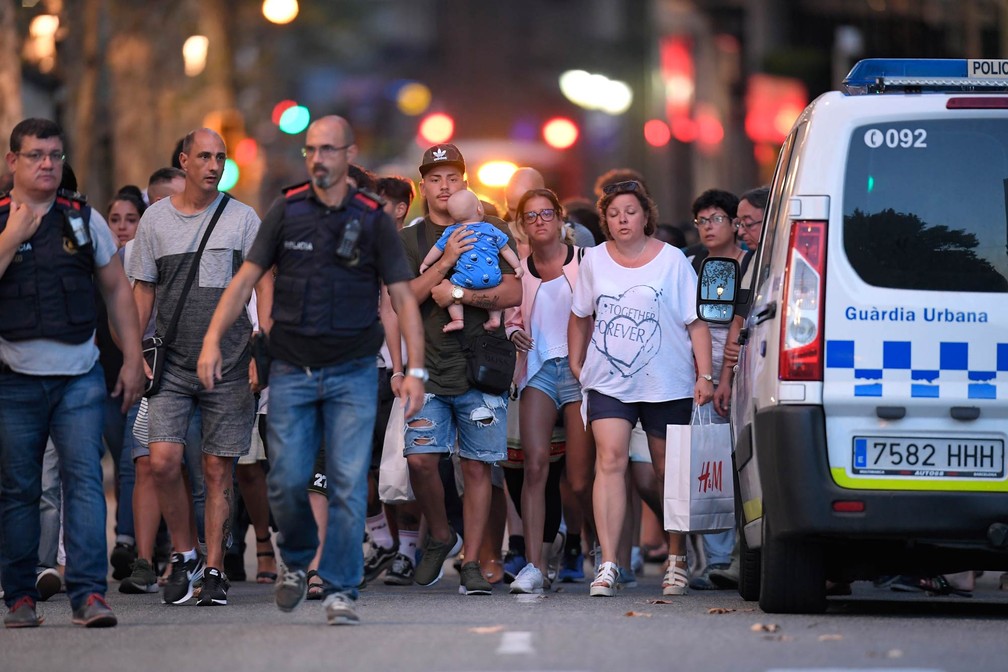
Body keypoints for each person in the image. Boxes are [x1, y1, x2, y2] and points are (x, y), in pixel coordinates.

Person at [198, 115, 425, 626]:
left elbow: (403, 299)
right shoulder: (287, 211)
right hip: (292, 370)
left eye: (328, 149)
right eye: (311, 150)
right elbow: (245, 282)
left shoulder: (372, 219)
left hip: (351, 371)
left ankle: (341, 588)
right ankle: (298, 559)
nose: (318, 158)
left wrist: (417, 370)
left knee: (344, 482)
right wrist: (212, 339)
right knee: (285, 480)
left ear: (349, 153)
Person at [0, 118, 145, 628]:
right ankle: (19, 596)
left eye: (55, 155)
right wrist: (12, 236)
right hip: (13, 378)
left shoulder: (83, 218)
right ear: (12, 161)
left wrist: (132, 357)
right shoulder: (0, 218)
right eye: (36, 155)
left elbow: (117, 291)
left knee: (84, 480)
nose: (47, 164)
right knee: (19, 489)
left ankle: (88, 594)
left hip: (79, 376)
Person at [129, 128, 271, 607]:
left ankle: (214, 570)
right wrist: (134, 351)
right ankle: (186, 555)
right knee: (163, 461)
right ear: (184, 160)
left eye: (221, 157)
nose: (214, 165)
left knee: (217, 470)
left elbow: (262, 280)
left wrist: (262, 341)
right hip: (169, 363)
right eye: (205, 156)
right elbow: (143, 289)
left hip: (229, 363)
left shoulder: (242, 218)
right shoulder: (154, 221)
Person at [568, 179, 714, 597]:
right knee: (610, 461)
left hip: (667, 380)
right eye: (613, 215)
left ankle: (676, 559)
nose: (622, 220)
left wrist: (704, 375)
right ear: (605, 222)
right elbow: (580, 314)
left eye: (630, 212)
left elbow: (696, 321)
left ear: (646, 215)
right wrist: (578, 363)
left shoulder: (672, 261)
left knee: (668, 470)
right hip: (609, 380)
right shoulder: (594, 260)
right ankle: (610, 561)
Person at [399, 143, 521, 595]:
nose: (444, 186)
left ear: (464, 184)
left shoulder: (491, 227)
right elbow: (403, 297)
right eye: (435, 179)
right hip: (427, 367)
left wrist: (462, 297)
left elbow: (513, 292)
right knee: (421, 461)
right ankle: (439, 531)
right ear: (422, 187)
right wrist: (447, 262)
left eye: (452, 178)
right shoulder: (411, 239)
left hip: (481, 367)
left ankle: (471, 559)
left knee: (477, 468)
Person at [503, 188, 590, 594]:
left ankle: (592, 550)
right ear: (522, 224)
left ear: (560, 218)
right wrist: (514, 330)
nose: (539, 221)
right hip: (538, 370)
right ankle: (534, 566)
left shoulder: (587, 263)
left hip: (580, 373)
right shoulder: (519, 271)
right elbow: (510, 317)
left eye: (546, 214)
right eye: (530, 216)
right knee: (534, 466)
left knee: (577, 479)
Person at [684, 188, 745, 591]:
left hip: (746, 371)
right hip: (702, 377)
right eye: (701, 221)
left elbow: (742, 321)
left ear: (735, 223)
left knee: (745, 466)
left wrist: (724, 375)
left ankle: (744, 552)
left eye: (715, 219)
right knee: (712, 468)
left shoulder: (753, 263)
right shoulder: (691, 265)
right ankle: (719, 558)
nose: (708, 227)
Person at [420, 189, 522, 333]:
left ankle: (457, 320)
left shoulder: (452, 231)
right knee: (494, 289)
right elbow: (505, 250)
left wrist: (425, 263)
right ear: (479, 209)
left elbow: (437, 249)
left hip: (466, 279)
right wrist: (517, 267)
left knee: (448, 285)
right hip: (492, 277)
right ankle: (494, 319)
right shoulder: (490, 228)